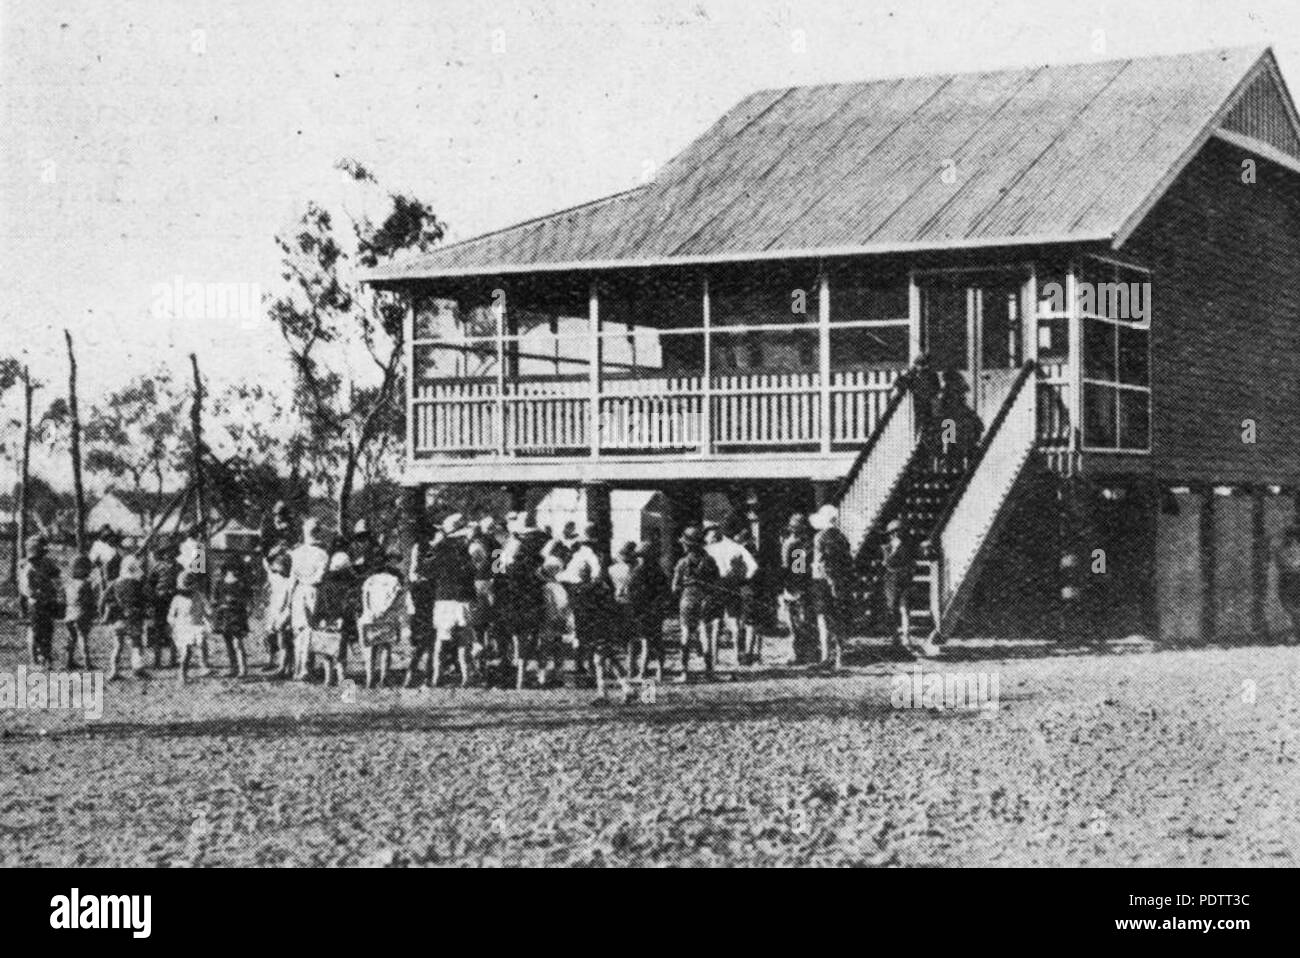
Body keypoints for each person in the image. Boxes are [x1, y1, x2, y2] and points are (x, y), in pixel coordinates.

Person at [429, 514, 476, 687]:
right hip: (465, 595)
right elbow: (491, 568)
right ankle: (466, 676)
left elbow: (425, 567)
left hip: (444, 596)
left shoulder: (438, 548)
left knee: (441, 639)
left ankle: (437, 675)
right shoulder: (475, 545)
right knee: (464, 639)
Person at [705, 519, 759, 666]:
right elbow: (753, 566)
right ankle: (736, 656)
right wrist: (743, 578)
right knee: (733, 621)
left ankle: (715, 658)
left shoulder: (710, 549)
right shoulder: (738, 548)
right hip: (733, 584)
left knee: (716, 622)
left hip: (716, 584)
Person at [672, 526, 720, 681]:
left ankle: (684, 671)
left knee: (685, 634)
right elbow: (716, 583)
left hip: (687, 599)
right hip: (704, 598)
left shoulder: (682, 562)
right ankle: (709, 671)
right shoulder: (709, 561)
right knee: (705, 634)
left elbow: (675, 586)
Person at [811, 504, 854, 670]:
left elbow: (819, 561)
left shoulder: (819, 537)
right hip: (840, 580)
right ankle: (839, 657)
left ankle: (825, 655)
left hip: (822, 581)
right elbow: (848, 561)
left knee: (823, 619)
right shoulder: (842, 538)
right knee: (839, 618)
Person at [290, 518, 331, 681]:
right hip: (312, 590)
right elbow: (320, 577)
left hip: (300, 590)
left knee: (300, 630)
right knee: (308, 629)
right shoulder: (322, 554)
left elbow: (292, 579)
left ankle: (300, 667)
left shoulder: (297, 553)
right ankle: (305, 668)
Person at [626, 540, 671, 681]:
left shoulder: (637, 572)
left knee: (641, 641)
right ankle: (659, 671)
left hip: (641, 610)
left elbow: (631, 592)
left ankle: (641, 672)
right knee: (657, 641)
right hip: (656, 610)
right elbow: (666, 592)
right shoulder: (659, 572)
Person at [358, 555, 404, 688]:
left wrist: (369, 612)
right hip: (388, 616)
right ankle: (383, 678)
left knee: (370, 649)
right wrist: (384, 610)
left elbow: (364, 598)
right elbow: (395, 598)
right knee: (385, 648)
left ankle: (369, 678)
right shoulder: (394, 580)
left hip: (370, 616)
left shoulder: (370, 580)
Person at [310, 551, 355, 686]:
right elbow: (348, 604)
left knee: (326, 651)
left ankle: (328, 679)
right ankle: (343, 681)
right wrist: (343, 618)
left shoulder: (324, 583)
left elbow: (319, 603)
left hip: (325, 620)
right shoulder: (348, 584)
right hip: (341, 621)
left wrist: (317, 619)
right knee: (341, 653)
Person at [101, 553, 148, 680]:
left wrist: (103, 614)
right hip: (134, 617)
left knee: (117, 646)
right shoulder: (137, 584)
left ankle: (114, 671)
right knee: (136, 645)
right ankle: (137, 671)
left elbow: (103, 599)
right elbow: (144, 600)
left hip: (118, 619)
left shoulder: (115, 583)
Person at [19, 534, 62, 668]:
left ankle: (46, 657)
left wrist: (53, 589)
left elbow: (56, 574)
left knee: (48, 630)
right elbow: (27, 590)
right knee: (35, 631)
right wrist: (41, 594)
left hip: (47, 601)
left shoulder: (46, 562)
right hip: (36, 604)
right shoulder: (28, 569)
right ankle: (34, 660)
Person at [780, 513, 817, 665]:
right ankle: (805, 653)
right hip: (801, 585)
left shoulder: (793, 544)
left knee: (795, 624)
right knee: (802, 622)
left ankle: (797, 654)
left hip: (794, 587)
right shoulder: (804, 543)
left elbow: (796, 569)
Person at [933, 368, 984, 472]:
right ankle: (955, 467)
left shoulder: (948, 391)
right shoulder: (954, 391)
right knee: (956, 445)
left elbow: (942, 407)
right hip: (953, 422)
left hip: (951, 421)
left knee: (953, 446)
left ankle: (952, 467)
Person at [535, 558, 574, 688]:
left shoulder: (545, 587)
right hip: (559, 619)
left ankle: (543, 676)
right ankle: (558, 675)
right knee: (558, 648)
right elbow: (565, 605)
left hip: (548, 619)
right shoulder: (560, 586)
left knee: (545, 648)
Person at [880, 517, 918, 646]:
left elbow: (913, 562)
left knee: (905, 608)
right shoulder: (887, 547)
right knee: (892, 609)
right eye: (894, 532)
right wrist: (894, 550)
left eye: (899, 532)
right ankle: (895, 636)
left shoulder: (909, 547)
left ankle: (906, 636)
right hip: (891, 580)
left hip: (905, 579)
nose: (896, 535)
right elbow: (886, 562)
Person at [169, 570, 210, 686]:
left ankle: (203, 665)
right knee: (186, 651)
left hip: (197, 625)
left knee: (202, 643)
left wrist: (208, 615)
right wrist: (172, 623)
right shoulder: (177, 599)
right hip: (183, 626)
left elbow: (207, 609)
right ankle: (182, 675)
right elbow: (171, 615)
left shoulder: (199, 596)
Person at [213, 562, 251, 678]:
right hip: (224, 615)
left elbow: (248, 600)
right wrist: (219, 607)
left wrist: (244, 610)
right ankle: (233, 667)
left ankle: (243, 669)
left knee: (237, 643)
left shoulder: (241, 584)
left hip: (237, 615)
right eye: (232, 569)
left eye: (236, 569)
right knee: (228, 642)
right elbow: (215, 600)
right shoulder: (220, 583)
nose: (235, 571)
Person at [145, 543, 178, 669]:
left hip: (173, 600)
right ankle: (157, 660)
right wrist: (152, 599)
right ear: (163, 554)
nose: (169, 555)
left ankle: (173, 659)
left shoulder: (178, 567)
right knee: (158, 631)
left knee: (173, 630)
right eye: (167, 552)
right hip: (159, 601)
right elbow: (150, 585)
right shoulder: (157, 567)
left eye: (172, 552)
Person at [63, 553, 97, 670]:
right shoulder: (86, 584)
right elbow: (89, 600)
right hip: (81, 613)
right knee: (83, 637)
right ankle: (87, 662)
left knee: (71, 638)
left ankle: (68, 662)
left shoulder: (68, 583)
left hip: (69, 613)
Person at [264, 547, 294, 676]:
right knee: (270, 638)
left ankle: (284, 667)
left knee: (284, 641)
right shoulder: (273, 576)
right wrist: (276, 551)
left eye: (279, 565)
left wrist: (286, 613)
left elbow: (290, 600)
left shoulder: (290, 580)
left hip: (284, 612)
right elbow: (266, 561)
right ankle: (271, 661)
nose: (276, 568)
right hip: (273, 610)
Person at [1274, 526, 1300, 645]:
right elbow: (1280, 563)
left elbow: (1282, 563)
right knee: (1289, 607)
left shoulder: (1282, 549)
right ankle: (1294, 633)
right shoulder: (1281, 549)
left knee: (1292, 607)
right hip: (1287, 579)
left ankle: (1294, 633)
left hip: (1291, 578)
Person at [259, 500, 298, 572]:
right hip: (273, 558)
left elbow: (296, 542)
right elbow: (265, 550)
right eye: (276, 514)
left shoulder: (291, 526)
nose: (277, 518)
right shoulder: (268, 527)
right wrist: (273, 551)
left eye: (281, 514)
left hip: (288, 556)